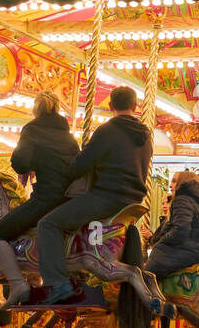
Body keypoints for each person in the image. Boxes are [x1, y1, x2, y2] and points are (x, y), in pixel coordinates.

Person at [37, 86, 152, 305]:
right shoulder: (146, 136)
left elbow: (82, 164)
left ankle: (58, 284)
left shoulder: (108, 130)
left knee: (48, 224)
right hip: (133, 201)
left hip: (106, 197)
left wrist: (67, 170)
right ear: (136, 106)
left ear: (110, 106)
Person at [0, 92, 78, 309]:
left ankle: (17, 284)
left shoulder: (33, 129)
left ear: (36, 110)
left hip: (46, 197)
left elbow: (19, 162)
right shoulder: (69, 136)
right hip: (68, 201)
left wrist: (32, 163)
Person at [145, 173, 199, 278]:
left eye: (174, 181)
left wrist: (159, 244)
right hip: (195, 253)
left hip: (180, 253)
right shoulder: (197, 202)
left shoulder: (181, 199)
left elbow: (181, 230)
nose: (170, 185)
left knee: (143, 278)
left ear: (184, 182)